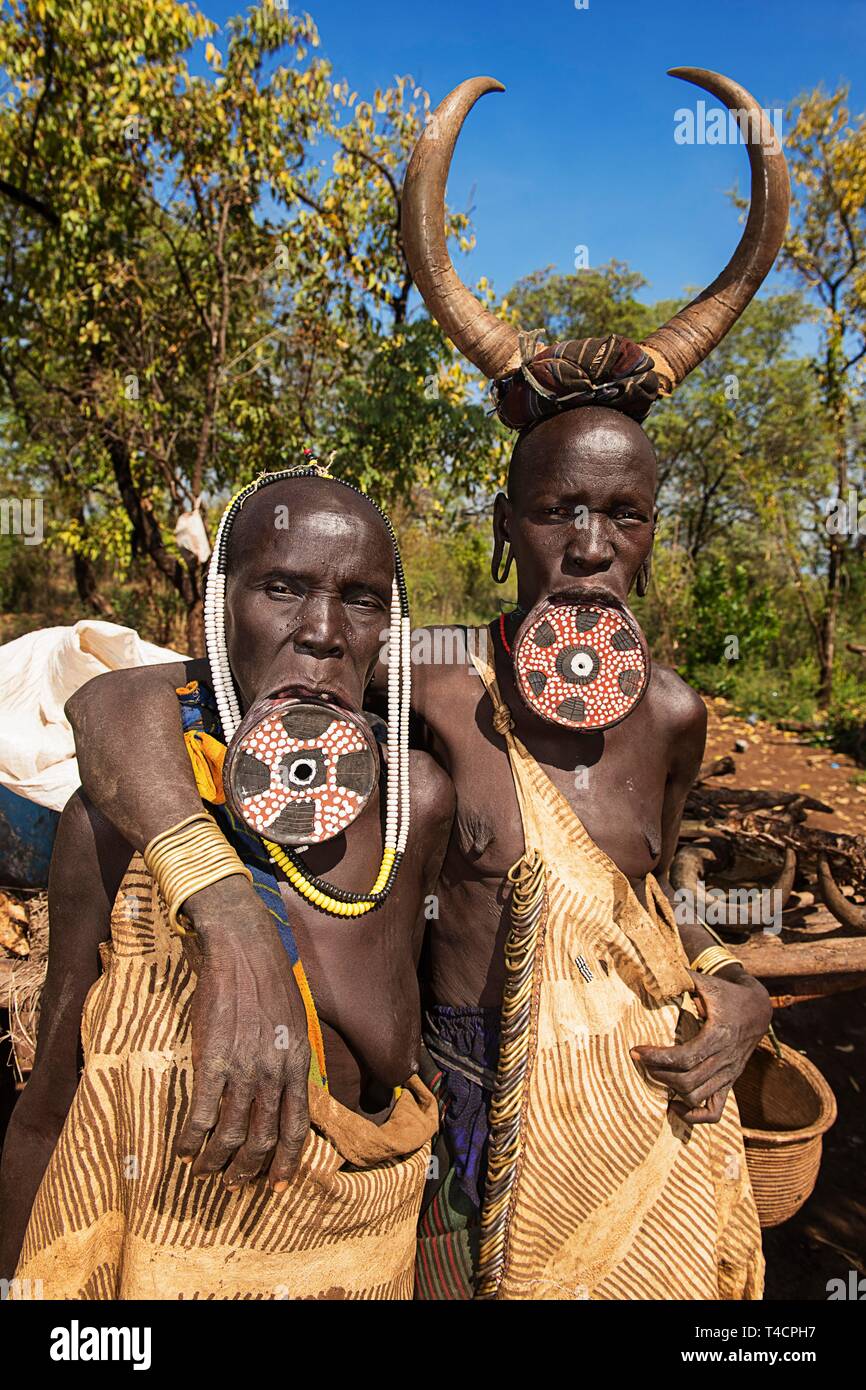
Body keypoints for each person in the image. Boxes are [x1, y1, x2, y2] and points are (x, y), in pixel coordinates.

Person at [59, 66, 786, 1299]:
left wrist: (735, 987)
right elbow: (128, 703)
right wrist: (221, 906)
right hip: (453, 1116)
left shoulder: (669, 715)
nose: (592, 546)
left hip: (627, 1114)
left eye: (625, 514)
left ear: (659, 528)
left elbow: (648, 904)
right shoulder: (432, 683)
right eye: (558, 511)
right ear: (506, 526)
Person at [0, 466, 453, 1299]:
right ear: (217, 613)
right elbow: (49, 1107)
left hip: (360, 1258)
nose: (323, 631)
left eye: (361, 600)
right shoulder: (111, 833)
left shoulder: (414, 805)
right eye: (281, 588)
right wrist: (234, 924)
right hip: (164, 1266)